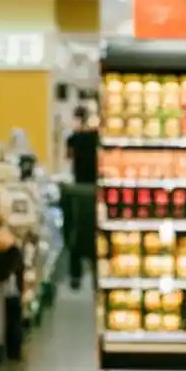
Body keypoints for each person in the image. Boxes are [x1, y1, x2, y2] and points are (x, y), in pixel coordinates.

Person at [63, 107, 99, 290]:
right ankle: (97, 270)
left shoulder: (73, 138)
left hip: (79, 187)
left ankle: (75, 275)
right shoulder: (97, 137)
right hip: (96, 187)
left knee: (76, 230)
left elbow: (68, 156)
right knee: (95, 230)